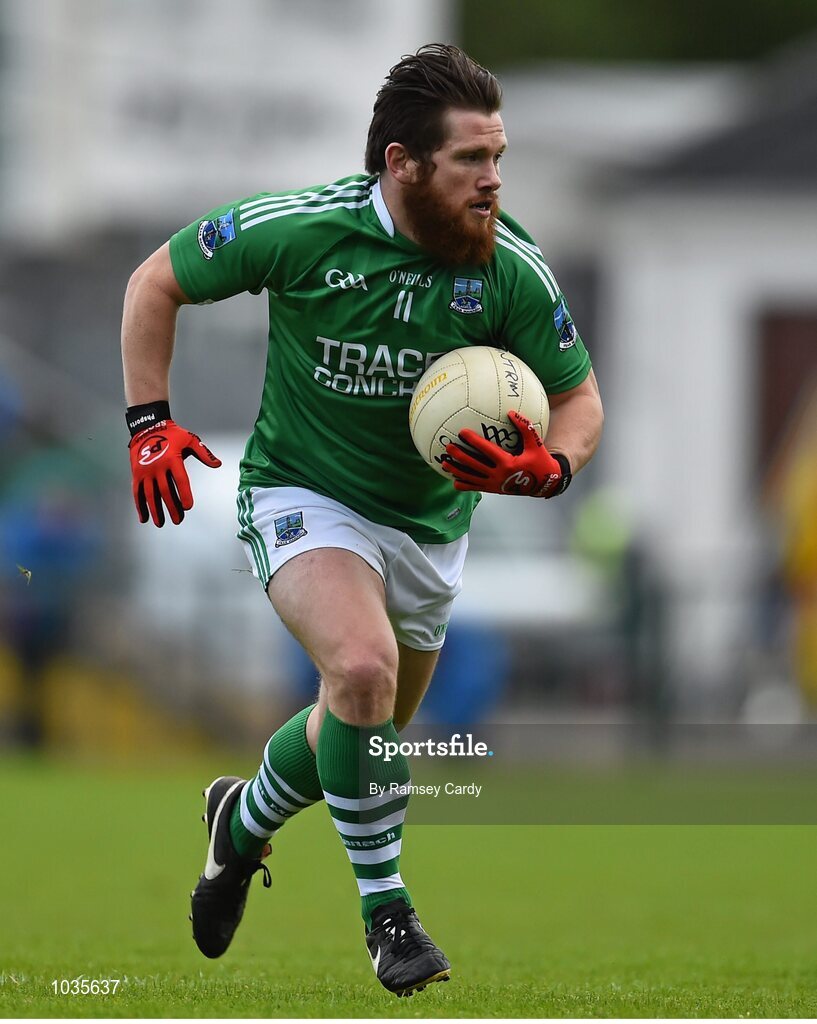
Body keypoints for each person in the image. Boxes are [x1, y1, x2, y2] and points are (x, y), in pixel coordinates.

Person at [121, 43, 603, 998]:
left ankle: (241, 823)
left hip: (428, 531)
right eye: (470, 159)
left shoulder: (508, 268)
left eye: (497, 157)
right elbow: (153, 283)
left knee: (361, 724)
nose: (492, 179)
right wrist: (149, 423)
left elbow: (579, 401)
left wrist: (550, 467)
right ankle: (388, 916)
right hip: (302, 493)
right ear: (401, 163)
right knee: (360, 669)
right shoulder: (303, 231)